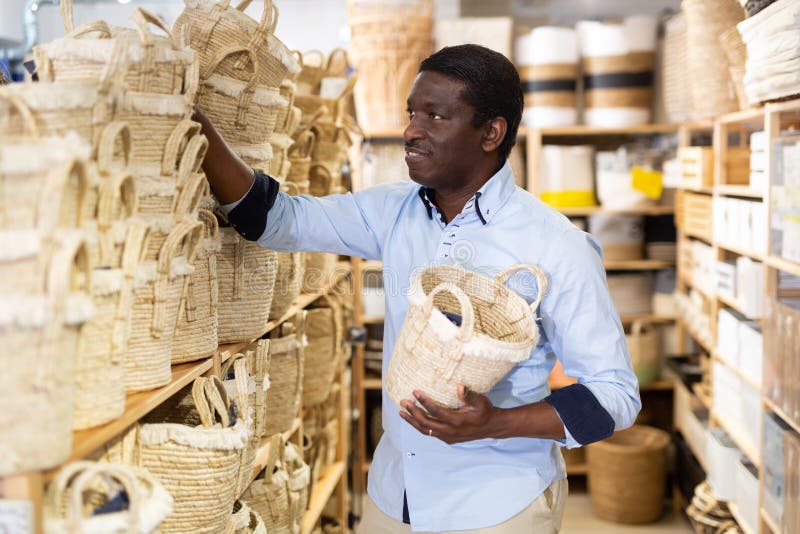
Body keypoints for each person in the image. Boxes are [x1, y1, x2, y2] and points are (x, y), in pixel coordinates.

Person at [196, 44, 641, 534]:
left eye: (436, 115)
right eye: (412, 112)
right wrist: (196, 125)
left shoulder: (557, 245)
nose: (411, 130)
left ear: (491, 132)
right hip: (393, 496)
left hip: (498, 505)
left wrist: (495, 422)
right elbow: (274, 220)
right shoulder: (393, 211)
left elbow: (614, 397)